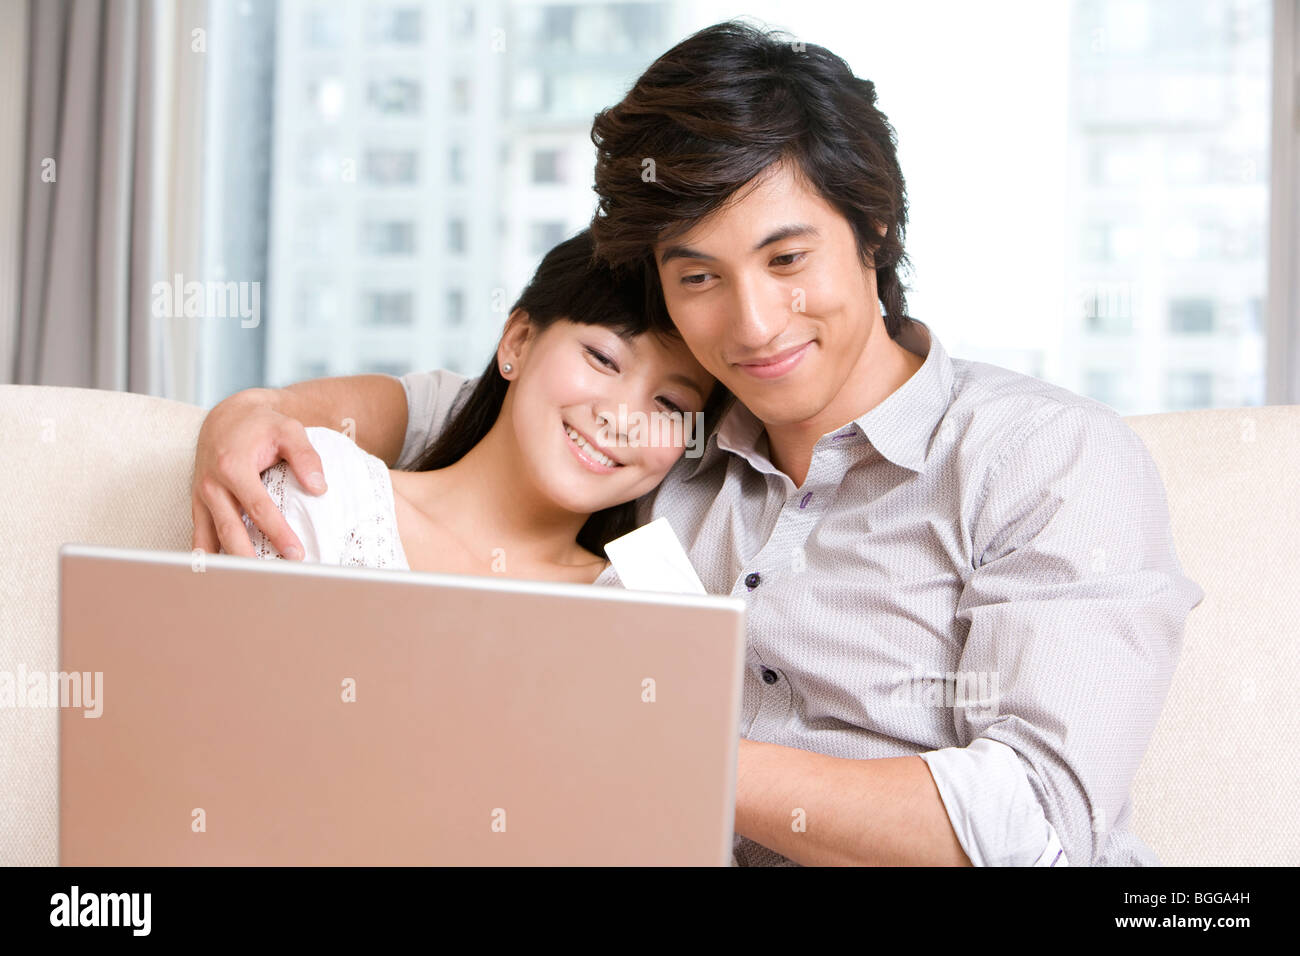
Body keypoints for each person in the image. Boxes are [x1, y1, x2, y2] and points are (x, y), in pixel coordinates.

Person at [193, 20, 1204, 867]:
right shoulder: (670, 435)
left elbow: (1034, 818)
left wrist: (651, 742)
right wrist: (252, 410)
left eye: (787, 257)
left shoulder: (1043, 458)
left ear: (877, 229)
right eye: (699, 276)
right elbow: (461, 408)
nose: (753, 324)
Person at [214, 227, 721, 585]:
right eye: (602, 358)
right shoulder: (320, 491)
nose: (622, 419)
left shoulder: (655, 593)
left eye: (671, 405)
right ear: (518, 342)